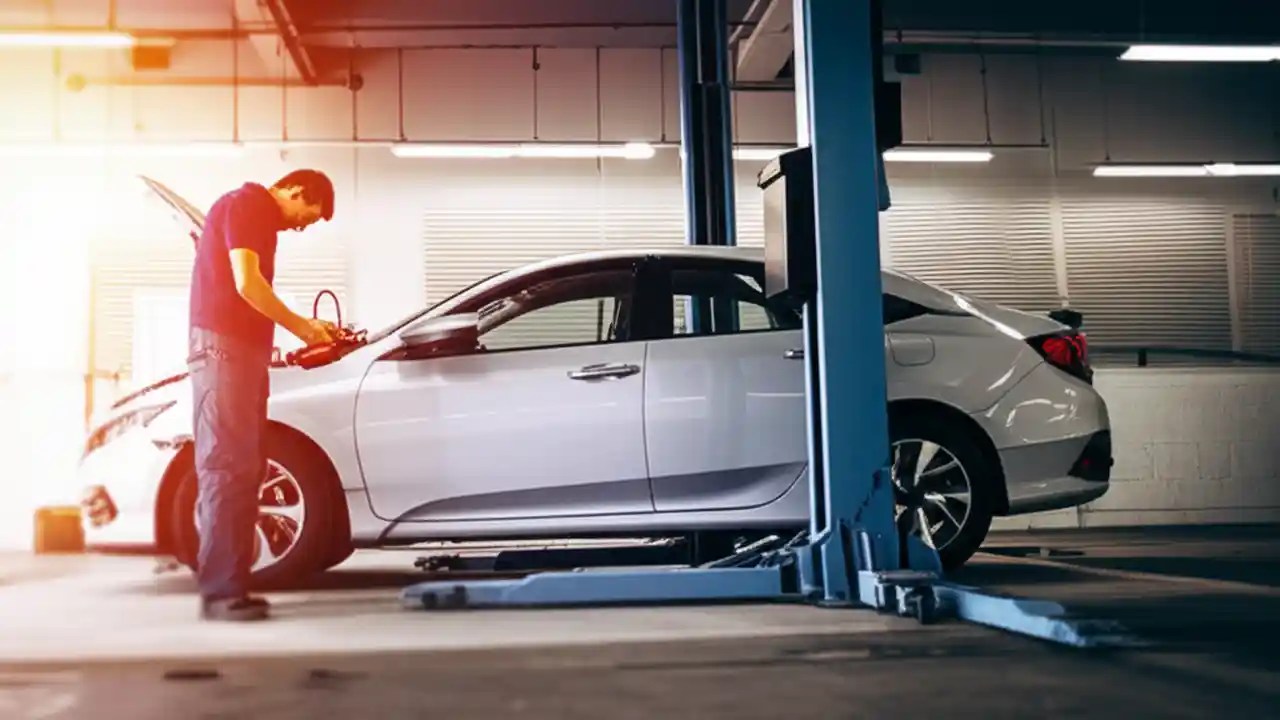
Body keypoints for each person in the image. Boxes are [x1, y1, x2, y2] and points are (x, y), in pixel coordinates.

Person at [187, 169, 338, 621]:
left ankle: (232, 583)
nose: (299, 227)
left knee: (246, 467)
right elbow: (247, 284)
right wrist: (304, 327)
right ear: (294, 190)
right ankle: (220, 591)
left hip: (242, 351)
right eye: (304, 217)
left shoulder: (254, 216)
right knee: (227, 465)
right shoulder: (248, 204)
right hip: (223, 349)